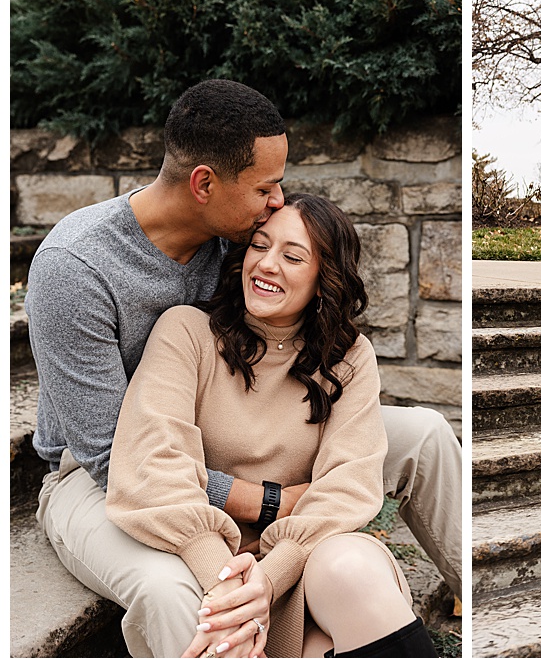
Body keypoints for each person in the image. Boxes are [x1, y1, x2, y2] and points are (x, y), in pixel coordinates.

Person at [25, 79, 461, 658]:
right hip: (102, 469)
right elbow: (117, 455)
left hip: (230, 429)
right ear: (205, 184)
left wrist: (319, 491)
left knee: (424, 433)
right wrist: (279, 500)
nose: (277, 203)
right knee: (172, 591)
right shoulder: (75, 267)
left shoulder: (238, 237)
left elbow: (303, 270)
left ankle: (476, 599)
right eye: (266, 187)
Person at [106, 194, 436, 657]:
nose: (266, 265)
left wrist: (269, 576)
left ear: (324, 282)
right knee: (206, 620)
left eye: (292, 256)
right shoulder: (186, 332)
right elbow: (155, 463)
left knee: (352, 568)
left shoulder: (349, 356)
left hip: (296, 563)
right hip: (206, 563)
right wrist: (232, 588)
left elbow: (348, 483)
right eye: (259, 246)